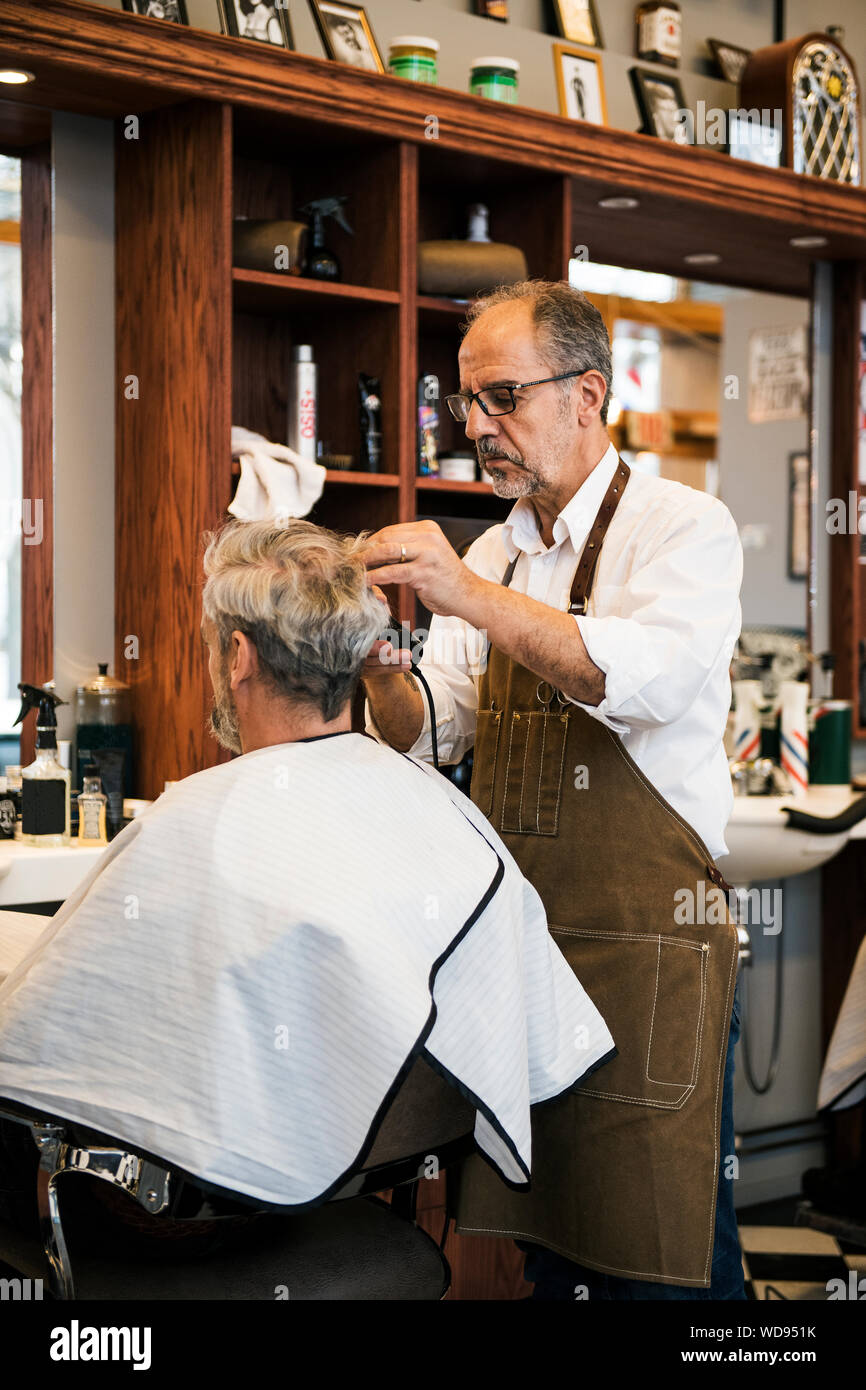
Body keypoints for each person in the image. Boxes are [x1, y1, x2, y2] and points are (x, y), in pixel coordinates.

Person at [0, 519, 614, 1252]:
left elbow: (40, 1027)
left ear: (237, 656)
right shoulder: (439, 808)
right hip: (370, 1219)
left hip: (208, 1235)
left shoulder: (196, 815)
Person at [361, 280, 746, 1299]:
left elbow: (625, 677)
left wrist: (463, 592)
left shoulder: (682, 527)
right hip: (529, 958)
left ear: (586, 394)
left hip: (648, 961)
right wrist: (370, 660)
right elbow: (431, 732)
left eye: (501, 398)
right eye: (464, 403)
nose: (478, 427)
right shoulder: (495, 550)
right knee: (554, 1258)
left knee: (664, 1266)